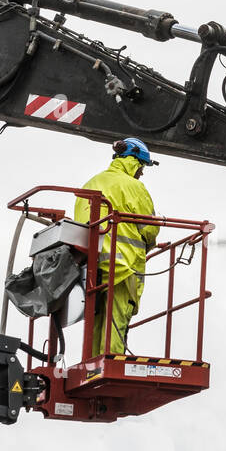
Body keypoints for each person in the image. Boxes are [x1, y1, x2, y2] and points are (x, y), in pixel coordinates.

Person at [73, 137, 159, 357]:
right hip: (121, 265)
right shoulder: (133, 186)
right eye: (142, 168)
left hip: (89, 263)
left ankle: (93, 364)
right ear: (135, 162)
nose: (142, 173)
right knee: (117, 318)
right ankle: (112, 361)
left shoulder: (90, 183)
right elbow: (149, 229)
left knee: (96, 317)